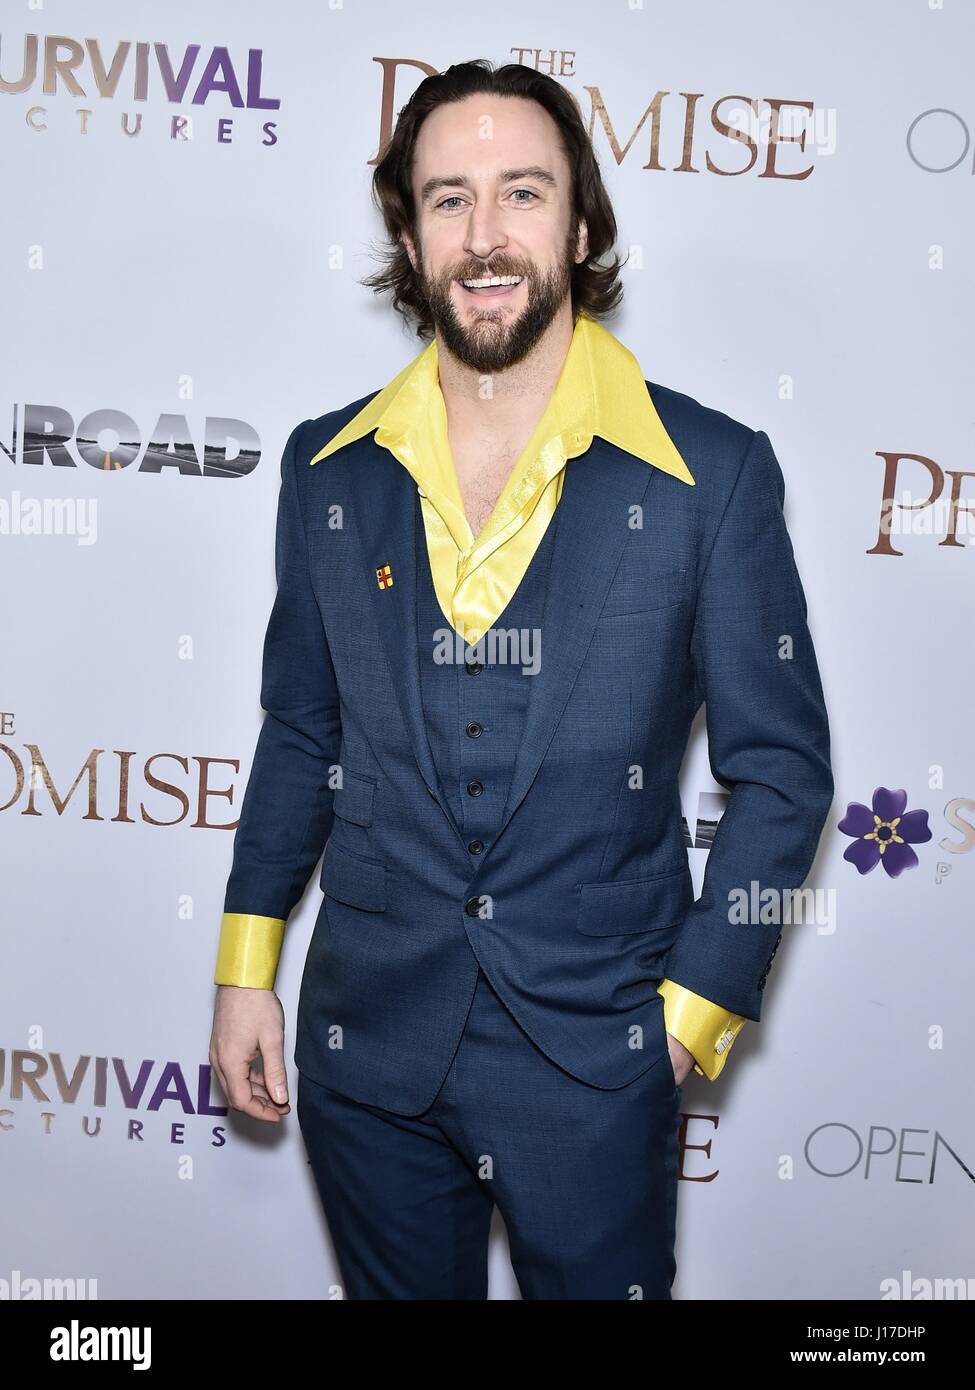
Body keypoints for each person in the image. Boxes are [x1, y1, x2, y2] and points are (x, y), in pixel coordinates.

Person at [208, 59, 833, 1300]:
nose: (486, 238)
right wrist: (244, 968)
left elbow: (784, 774)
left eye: (522, 194)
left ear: (582, 223)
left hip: (599, 1054)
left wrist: (689, 1015)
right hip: (366, 1047)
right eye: (449, 199)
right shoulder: (326, 469)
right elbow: (299, 731)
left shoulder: (712, 473)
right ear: (407, 231)